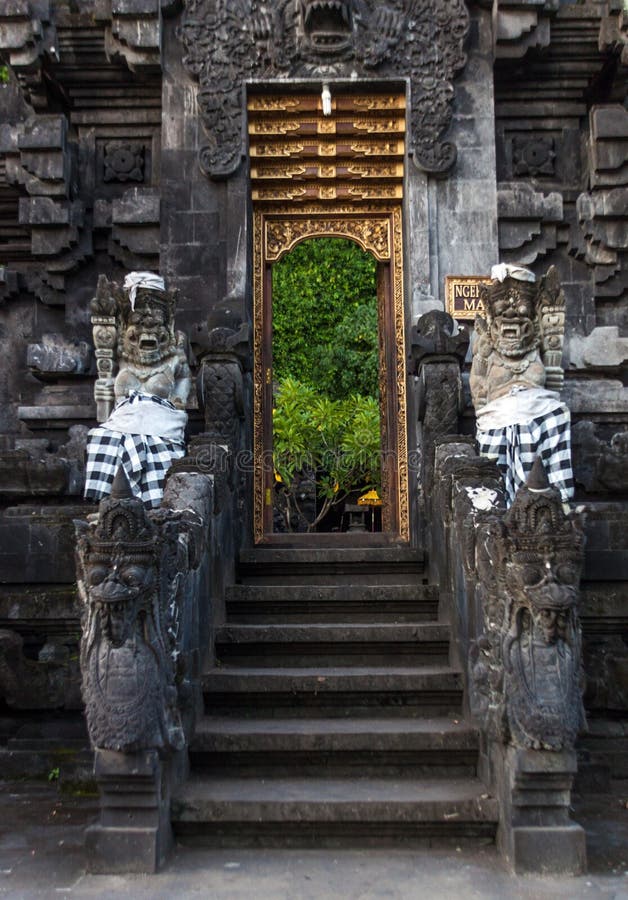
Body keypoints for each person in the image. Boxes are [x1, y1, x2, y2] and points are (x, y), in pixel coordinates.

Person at [84, 272, 192, 507]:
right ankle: (110, 503)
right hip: (122, 423)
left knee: (157, 449)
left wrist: (178, 400)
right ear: (125, 327)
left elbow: (184, 378)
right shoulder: (121, 357)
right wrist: (104, 392)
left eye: (154, 324)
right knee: (101, 438)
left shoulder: (174, 358)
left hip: (160, 427)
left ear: (168, 326)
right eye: (139, 324)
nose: (147, 330)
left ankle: (153, 506)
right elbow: (108, 397)